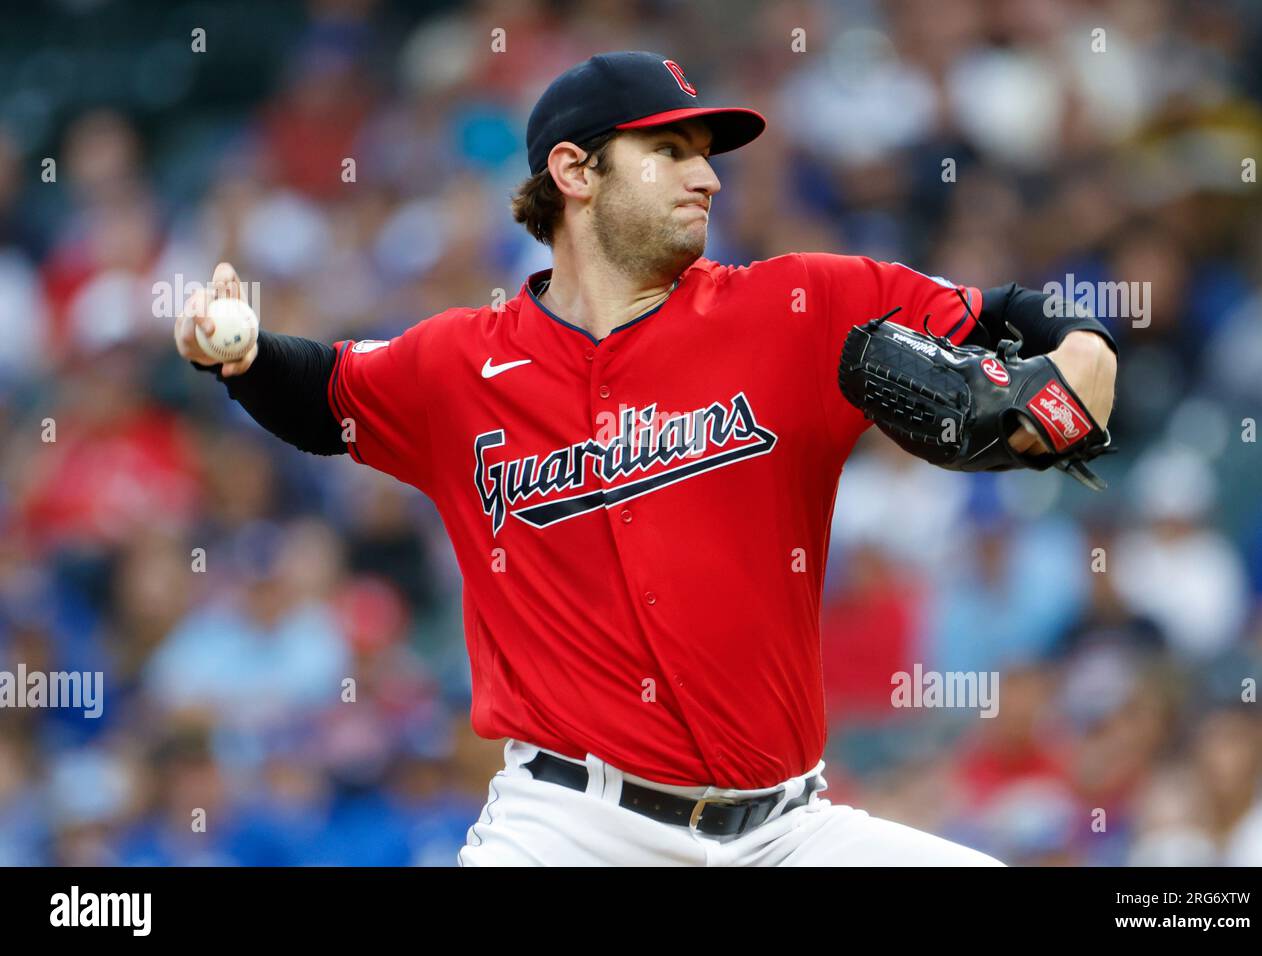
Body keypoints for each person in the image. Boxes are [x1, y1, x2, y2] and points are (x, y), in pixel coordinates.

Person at [175, 51, 1117, 865]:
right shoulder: (459, 365)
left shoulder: (799, 307)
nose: (705, 178)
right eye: (668, 152)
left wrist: (1081, 367)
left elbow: (1016, 315)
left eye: (705, 157)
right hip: (571, 825)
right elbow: (324, 394)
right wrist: (244, 356)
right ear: (574, 171)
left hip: (786, 830)